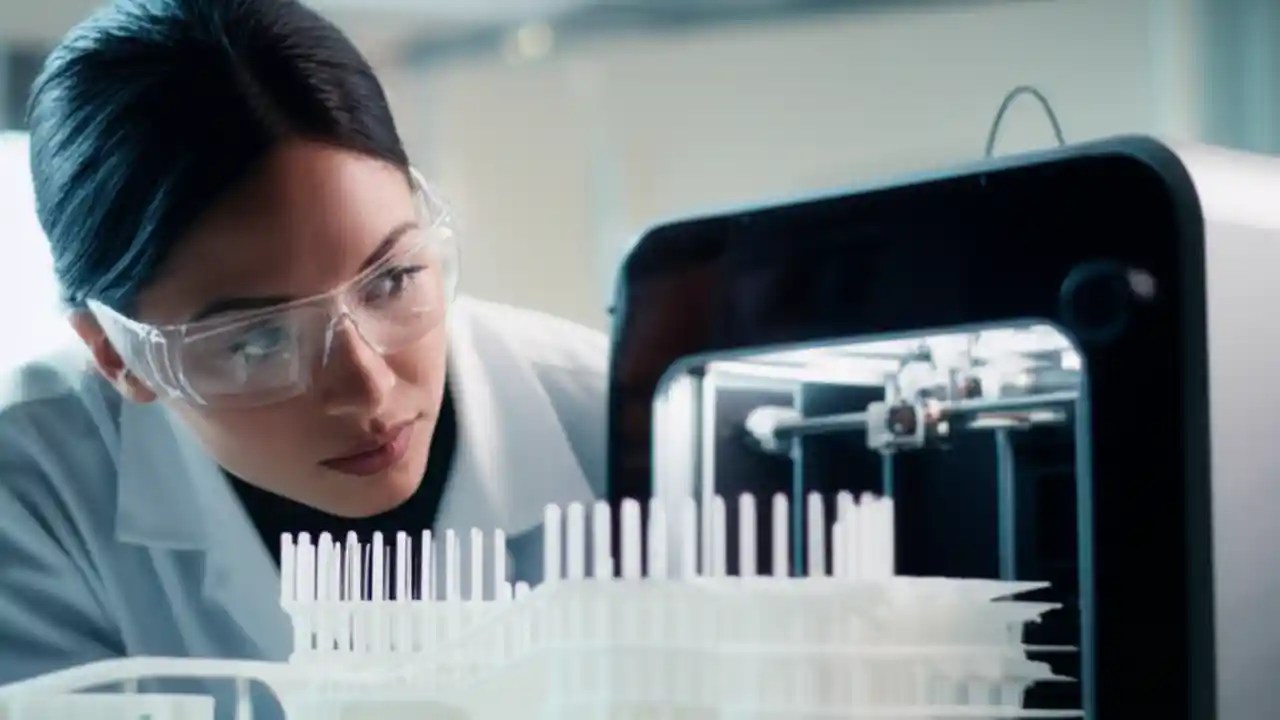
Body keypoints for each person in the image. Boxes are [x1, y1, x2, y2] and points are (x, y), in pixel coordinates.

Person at [0, 0, 608, 711]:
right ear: (116, 355)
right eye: (258, 339)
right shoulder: (35, 493)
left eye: (391, 279)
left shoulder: (617, 418)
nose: (368, 385)